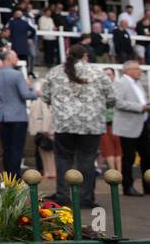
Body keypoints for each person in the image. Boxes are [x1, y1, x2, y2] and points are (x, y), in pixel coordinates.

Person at [41, 44, 114, 209]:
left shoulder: (55, 72)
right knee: (87, 159)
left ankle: (63, 195)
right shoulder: (97, 72)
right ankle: (85, 197)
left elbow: (45, 96)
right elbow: (111, 98)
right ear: (85, 56)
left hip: (64, 124)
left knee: (63, 158)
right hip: (91, 124)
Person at [0, 50, 36, 178]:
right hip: (18, 116)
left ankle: (8, 176)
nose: (17, 59)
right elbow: (25, 95)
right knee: (17, 148)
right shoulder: (17, 75)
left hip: (3, 116)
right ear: (8, 59)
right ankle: (15, 176)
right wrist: (35, 92)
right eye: (15, 57)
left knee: (7, 149)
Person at [111, 59, 149, 196]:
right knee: (129, 157)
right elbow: (119, 103)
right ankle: (128, 186)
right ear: (128, 70)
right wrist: (142, 107)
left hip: (142, 124)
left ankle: (148, 185)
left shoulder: (137, 83)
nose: (140, 71)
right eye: (137, 69)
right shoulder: (120, 83)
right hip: (127, 126)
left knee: (147, 156)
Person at [27, 76, 57, 180]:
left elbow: (47, 115)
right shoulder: (37, 99)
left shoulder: (44, 100)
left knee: (50, 152)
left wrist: (45, 130)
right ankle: (48, 171)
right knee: (43, 152)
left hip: (46, 130)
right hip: (39, 129)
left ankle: (52, 172)